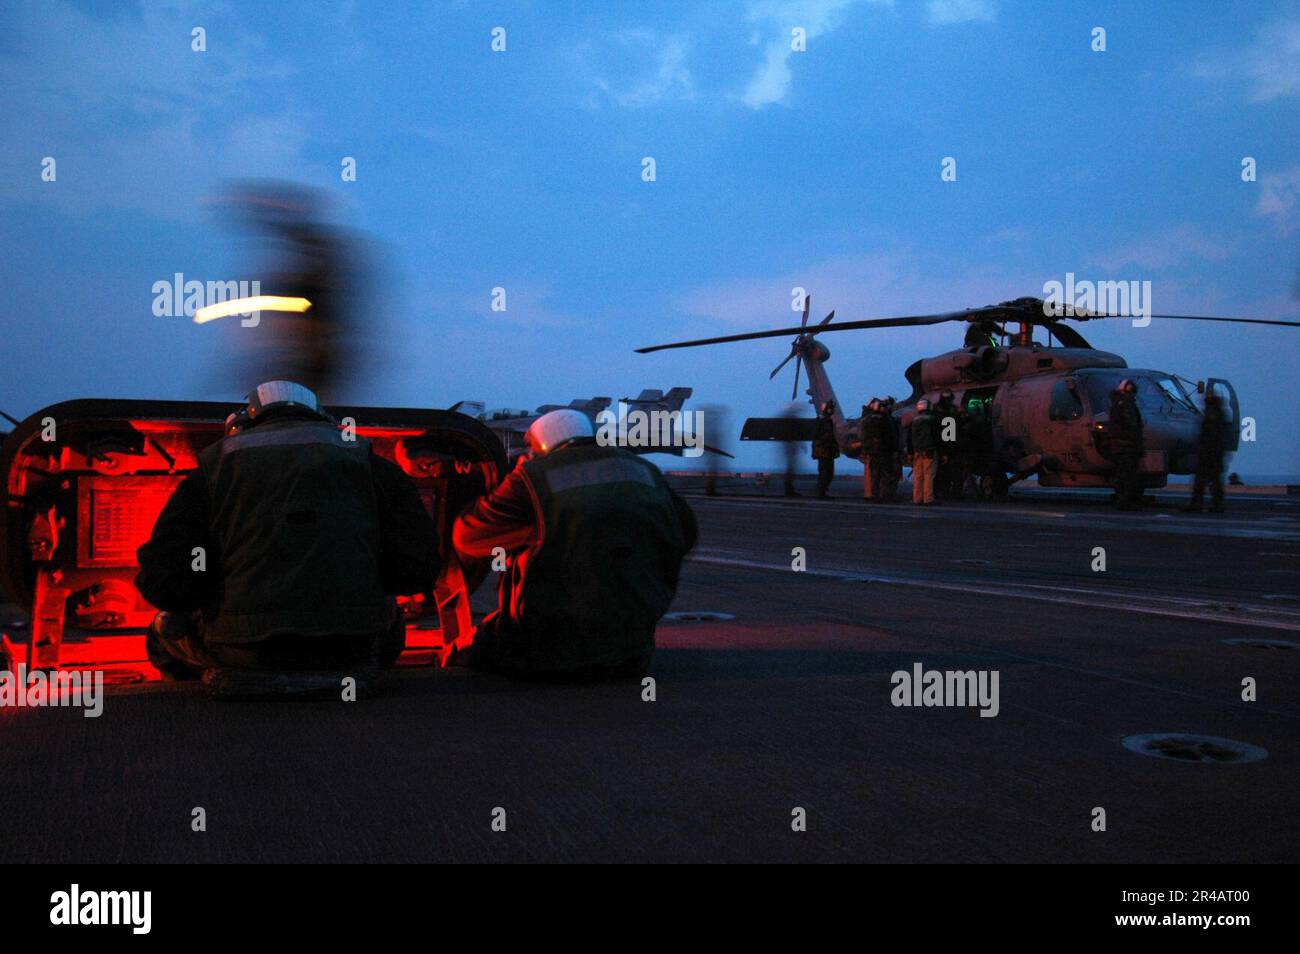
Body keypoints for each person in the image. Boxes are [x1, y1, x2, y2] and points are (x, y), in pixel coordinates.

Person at [135, 380, 440, 686]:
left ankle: (198, 718)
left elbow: (164, 585)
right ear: (324, 423)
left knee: (165, 629)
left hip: (242, 652)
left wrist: (213, 591)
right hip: (351, 649)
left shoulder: (212, 471)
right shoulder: (371, 464)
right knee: (392, 617)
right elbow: (418, 570)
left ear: (241, 427)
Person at [452, 409, 697, 681]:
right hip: (632, 654)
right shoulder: (644, 471)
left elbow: (468, 536)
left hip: (549, 655)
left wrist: (491, 483)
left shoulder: (532, 477)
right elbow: (687, 532)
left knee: (462, 650)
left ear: (540, 445)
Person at [1185, 390, 1227, 513]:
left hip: (1208, 453)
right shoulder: (1217, 412)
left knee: (1202, 481)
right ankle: (1216, 505)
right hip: (1214, 453)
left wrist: (1203, 450)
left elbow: (1209, 435)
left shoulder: (1211, 413)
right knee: (1214, 481)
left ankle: (1197, 504)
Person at [1106, 379, 1144, 511]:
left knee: (1122, 473)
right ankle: (1124, 500)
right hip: (1127, 446)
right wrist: (1137, 444)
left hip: (1120, 446)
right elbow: (1131, 426)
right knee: (1127, 474)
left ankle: (1122, 498)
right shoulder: (1126, 405)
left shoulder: (1117, 404)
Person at [858, 399, 896, 502]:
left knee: (875, 474)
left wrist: (865, 451)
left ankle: (875, 495)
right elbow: (890, 436)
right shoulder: (886, 420)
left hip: (872, 451)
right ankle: (886, 495)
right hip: (884, 451)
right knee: (886, 474)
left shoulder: (867, 420)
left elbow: (864, 436)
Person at [905, 398, 939, 505]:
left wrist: (910, 453)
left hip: (917, 452)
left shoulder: (914, 421)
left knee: (918, 475)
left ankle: (917, 498)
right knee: (929, 475)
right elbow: (937, 437)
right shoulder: (933, 420)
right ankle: (928, 499)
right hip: (929, 451)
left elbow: (909, 439)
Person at [812, 401, 840, 499]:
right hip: (825, 451)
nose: (832, 410)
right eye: (831, 408)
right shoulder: (825, 421)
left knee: (825, 472)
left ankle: (821, 492)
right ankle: (821, 493)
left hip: (825, 451)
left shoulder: (823, 420)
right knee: (826, 472)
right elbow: (825, 437)